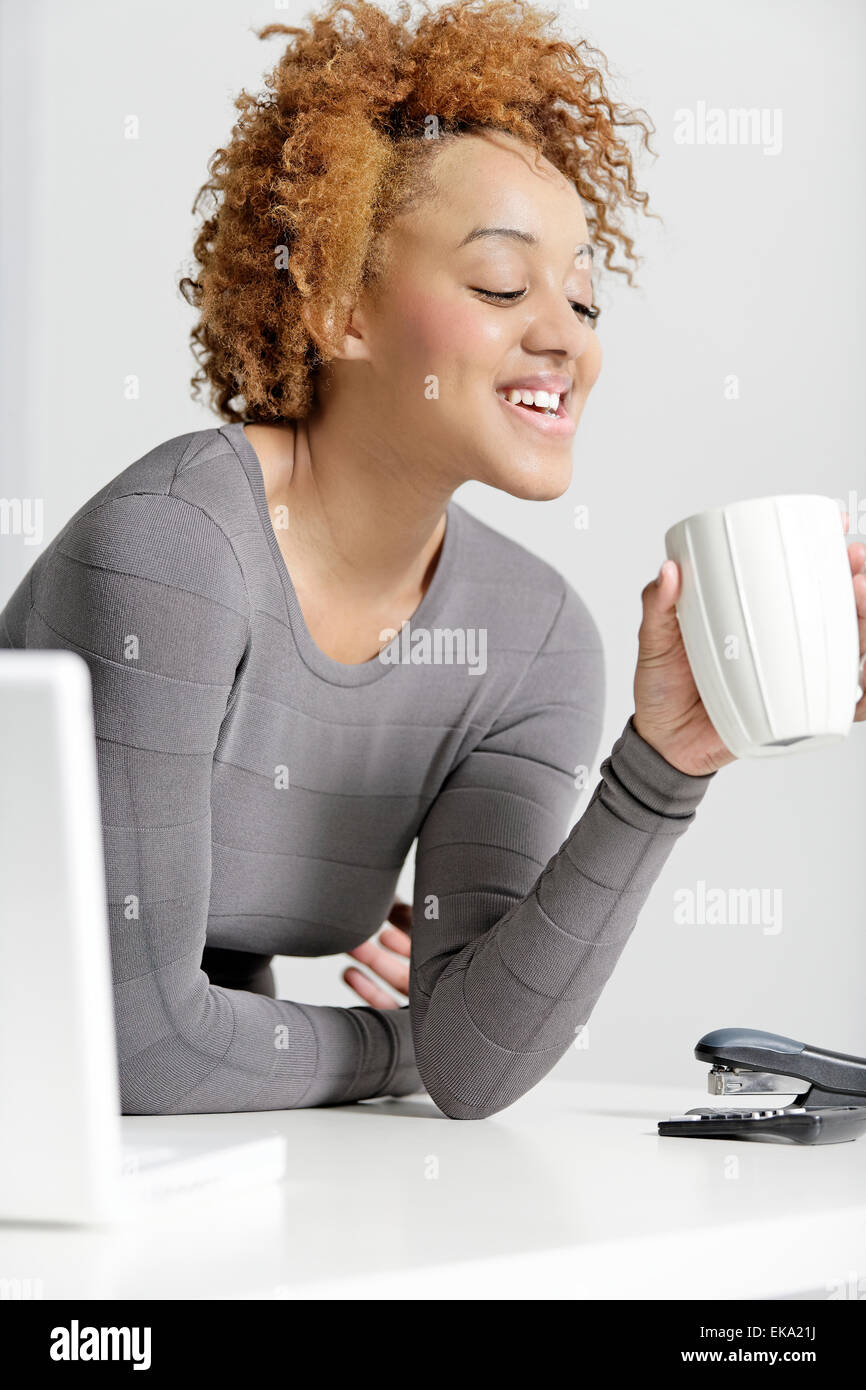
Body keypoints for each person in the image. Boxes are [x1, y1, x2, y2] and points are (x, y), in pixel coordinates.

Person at [2, 0, 864, 1119]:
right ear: (337, 305)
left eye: (583, 297)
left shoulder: (531, 637)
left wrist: (667, 761)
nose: (566, 336)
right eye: (503, 287)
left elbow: (475, 1068)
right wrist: (402, 1041)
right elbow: (137, 1045)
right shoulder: (175, 548)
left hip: (129, 1165)